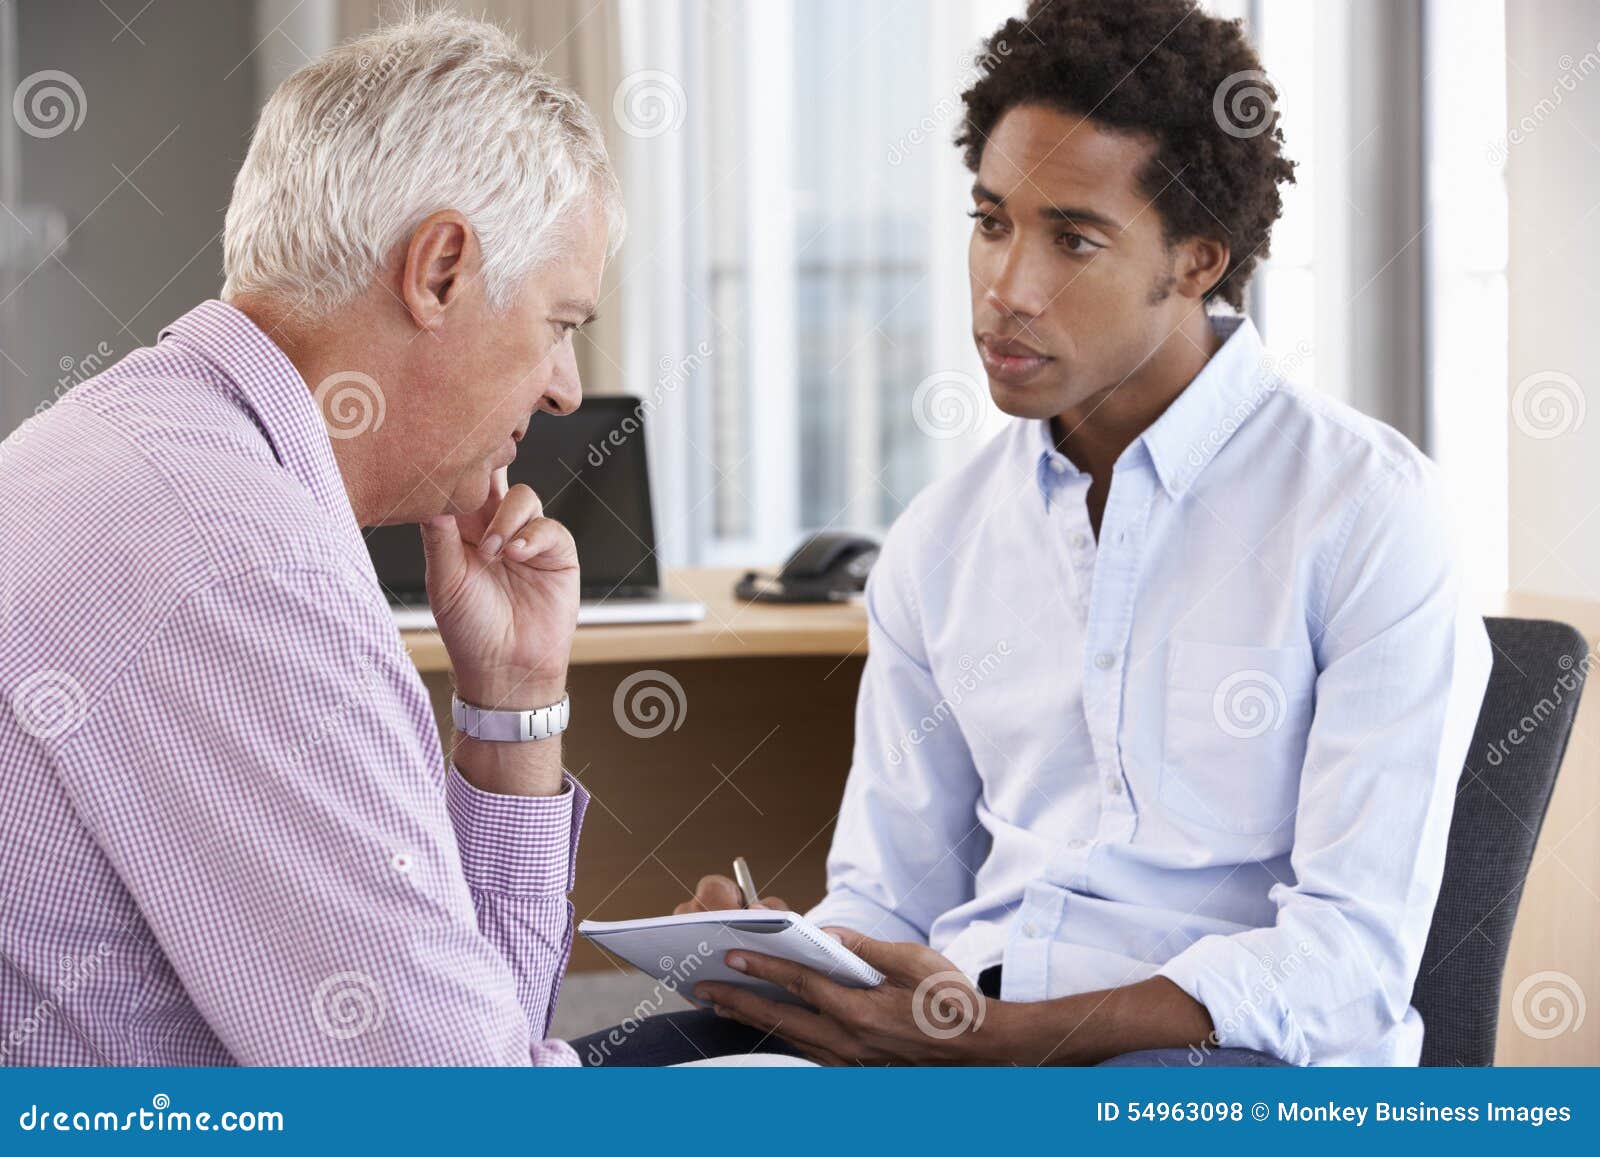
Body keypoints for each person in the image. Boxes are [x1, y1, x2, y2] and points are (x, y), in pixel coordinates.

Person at [577, 0, 1491, 1067]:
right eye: (991, 220)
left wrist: (1006, 1040)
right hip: (974, 1026)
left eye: (1073, 238)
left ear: (1196, 260)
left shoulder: (1364, 511)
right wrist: (790, 953)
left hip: (1227, 1066)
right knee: (605, 1076)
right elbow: (893, 892)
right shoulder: (942, 537)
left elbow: (1349, 957)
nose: (1005, 290)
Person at [0, 12, 622, 1065]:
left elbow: (476, 1039)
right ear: (439, 271)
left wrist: (512, 704)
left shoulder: (101, 442)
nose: (565, 387)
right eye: (562, 323)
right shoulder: (244, 568)